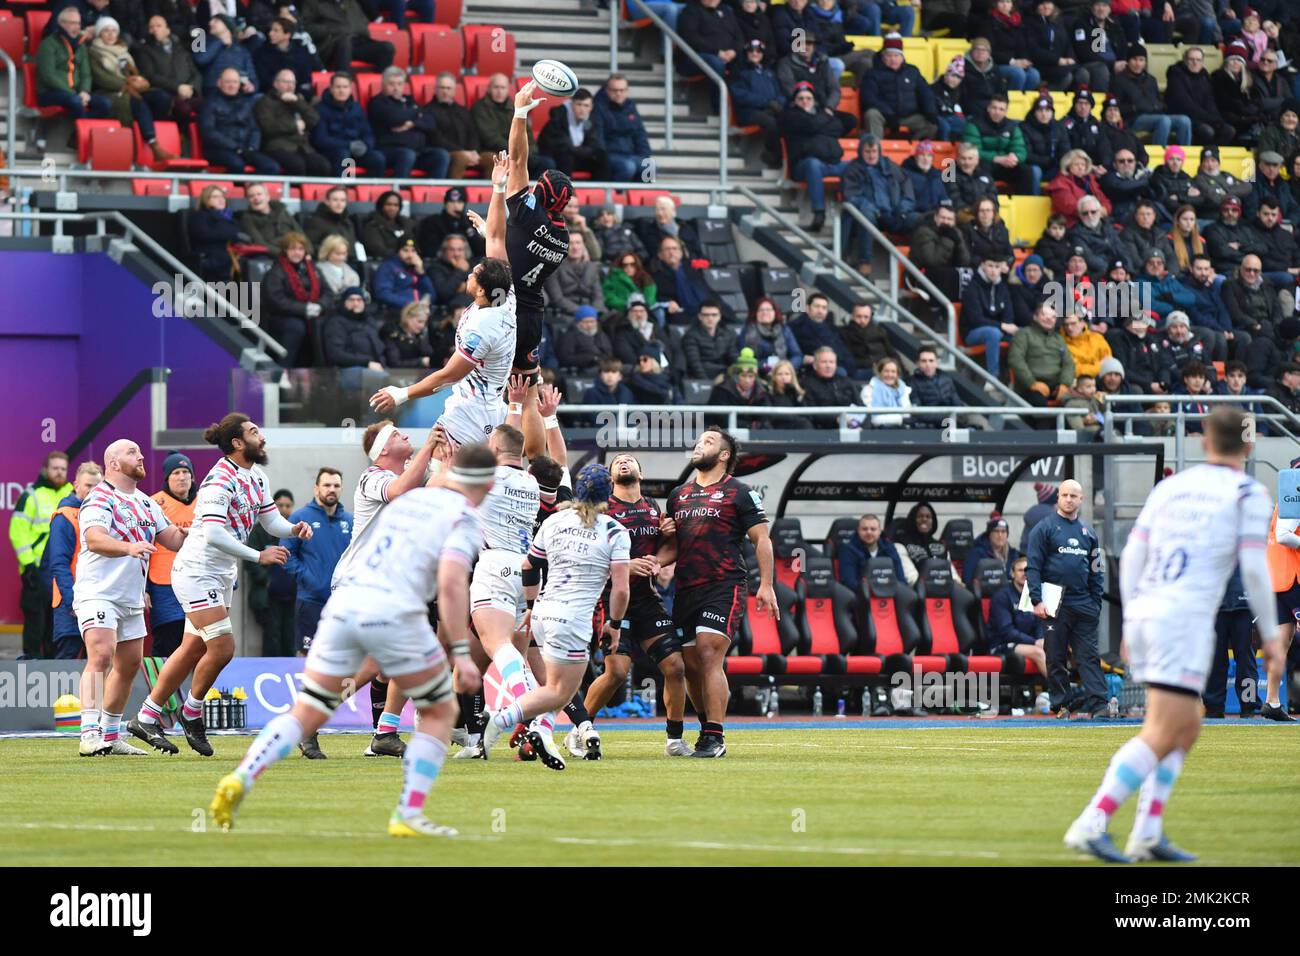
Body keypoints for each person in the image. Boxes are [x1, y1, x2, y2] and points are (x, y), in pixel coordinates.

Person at [210, 443, 495, 836]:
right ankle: (408, 814)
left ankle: (241, 776)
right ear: (489, 482)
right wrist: (461, 652)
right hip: (394, 611)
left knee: (309, 707)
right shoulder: (463, 518)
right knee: (439, 711)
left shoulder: (408, 503)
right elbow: (449, 582)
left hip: (344, 603)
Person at [1065, 408, 1281, 862]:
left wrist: (1131, 616)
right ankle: (1092, 821)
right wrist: (1272, 634)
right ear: (1249, 444)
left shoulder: (1171, 487)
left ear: (1205, 441)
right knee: (1164, 729)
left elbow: (1135, 551)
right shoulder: (1248, 492)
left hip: (1152, 611)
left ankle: (1146, 831)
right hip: (1183, 618)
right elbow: (1255, 569)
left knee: (1187, 724)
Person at [129, 415, 311, 756]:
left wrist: (293, 528)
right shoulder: (219, 479)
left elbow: (270, 520)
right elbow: (212, 534)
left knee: (193, 649)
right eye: (255, 432)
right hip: (197, 570)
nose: (263, 438)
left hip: (221, 573)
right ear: (238, 443)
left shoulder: (256, 476)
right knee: (224, 647)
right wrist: (259, 556)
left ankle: (147, 715)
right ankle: (191, 712)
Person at [478, 462, 625, 770]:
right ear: (607, 495)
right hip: (572, 619)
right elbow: (621, 590)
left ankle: (542, 732)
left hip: (543, 612)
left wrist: (530, 607)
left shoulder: (555, 521)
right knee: (561, 691)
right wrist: (613, 624)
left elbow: (529, 566)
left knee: (557, 690)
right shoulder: (614, 531)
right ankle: (502, 718)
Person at [370, 160, 520, 450]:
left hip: (474, 411)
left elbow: (449, 375)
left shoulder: (483, 328)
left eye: (474, 274)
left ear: (482, 289)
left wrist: (401, 394)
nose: (469, 273)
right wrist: (498, 189)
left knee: (444, 477)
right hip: (475, 402)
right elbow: (498, 241)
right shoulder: (504, 294)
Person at [653, 428, 775, 758]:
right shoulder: (678, 495)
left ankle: (715, 736)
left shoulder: (740, 492)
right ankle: (707, 727)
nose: (699, 445)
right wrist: (654, 562)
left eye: (708, 441)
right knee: (691, 665)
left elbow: (761, 540)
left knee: (708, 653)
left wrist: (766, 584)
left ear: (723, 455)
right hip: (686, 588)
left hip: (724, 585)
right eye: (698, 441)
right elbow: (675, 546)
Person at [73, 440, 188, 757]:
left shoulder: (148, 503)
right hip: (98, 592)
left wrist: (197, 530)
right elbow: (94, 539)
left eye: (139, 452)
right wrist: (129, 547)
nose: (139, 456)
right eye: (131, 452)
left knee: (129, 664)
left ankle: (110, 736)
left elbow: (173, 539)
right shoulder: (100, 498)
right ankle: (88, 733)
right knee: (101, 653)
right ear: (112, 463)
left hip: (130, 598)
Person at [579, 454, 695, 756]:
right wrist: (625, 566)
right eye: (618, 461)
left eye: (630, 460)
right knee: (616, 673)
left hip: (646, 600)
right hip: (610, 599)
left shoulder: (652, 508)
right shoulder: (601, 510)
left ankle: (674, 740)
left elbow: (667, 550)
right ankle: (581, 729)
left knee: (675, 666)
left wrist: (659, 557)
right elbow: (585, 558)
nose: (624, 463)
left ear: (641, 474)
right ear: (611, 476)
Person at [1025, 477, 1108, 720]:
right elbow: (1033, 567)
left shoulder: (1088, 532)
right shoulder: (1044, 528)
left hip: (1083, 603)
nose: (1069, 499)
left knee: (1088, 656)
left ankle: (1099, 705)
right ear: (1058, 498)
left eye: (1074, 496)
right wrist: (1037, 600)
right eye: (1065, 495)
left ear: (1081, 500)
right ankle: (1062, 705)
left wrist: (1095, 603)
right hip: (1053, 603)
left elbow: (1096, 570)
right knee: (1056, 656)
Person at [283, 467, 353, 660]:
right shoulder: (300, 518)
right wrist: (310, 579)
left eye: (336, 485)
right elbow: (286, 555)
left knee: (343, 654)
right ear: (316, 489)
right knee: (307, 654)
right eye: (327, 485)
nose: (332, 489)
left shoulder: (351, 521)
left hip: (343, 602)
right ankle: (305, 691)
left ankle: (341, 692)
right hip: (311, 601)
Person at [11, 451, 71, 658]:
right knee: (35, 627)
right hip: (36, 573)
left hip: (62, 572)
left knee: (57, 628)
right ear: (46, 469)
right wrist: (28, 566)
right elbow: (18, 532)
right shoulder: (31, 495)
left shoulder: (71, 494)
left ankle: (54, 672)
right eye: (55, 468)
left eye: (63, 469)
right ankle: (30, 670)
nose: (59, 472)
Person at [43, 462, 103, 661]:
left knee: (100, 659)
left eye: (98, 486)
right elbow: (59, 564)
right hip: (71, 602)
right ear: (76, 485)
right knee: (67, 661)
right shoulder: (65, 516)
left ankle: (93, 695)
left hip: (100, 598)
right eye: (88, 486)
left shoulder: (106, 514)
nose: (93, 491)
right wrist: (72, 602)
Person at [840, 133, 918, 275]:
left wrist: (902, 208)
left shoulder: (890, 165)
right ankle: (865, 265)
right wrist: (874, 210)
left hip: (893, 214)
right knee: (866, 216)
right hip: (871, 215)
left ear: (879, 151)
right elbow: (851, 197)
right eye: (867, 152)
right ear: (861, 152)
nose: (871, 155)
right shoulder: (852, 169)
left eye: (874, 151)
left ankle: (913, 267)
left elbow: (907, 189)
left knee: (917, 219)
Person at [780, 83, 851, 233]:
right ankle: (819, 213)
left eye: (808, 98)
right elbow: (809, 125)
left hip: (832, 163)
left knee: (858, 165)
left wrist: (816, 126)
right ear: (794, 101)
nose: (805, 101)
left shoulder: (819, 115)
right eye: (801, 98)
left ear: (814, 100)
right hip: (803, 165)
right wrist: (825, 118)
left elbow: (839, 126)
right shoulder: (790, 115)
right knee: (813, 165)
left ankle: (852, 212)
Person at [146, 453, 196, 659]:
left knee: (196, 640)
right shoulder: (153, 504)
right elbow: (143, 549)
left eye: (186, 472)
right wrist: (144, 589)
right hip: (163, 584)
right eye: (176, 472)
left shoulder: (205, 503)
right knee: (168, 638)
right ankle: (159, 689)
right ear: (167, 478)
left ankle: (193, 690)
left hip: (196, 581)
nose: (182, 477)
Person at [367, 67, 450, 180]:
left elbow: (430, 122)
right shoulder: (378, 102)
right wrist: (417, 114)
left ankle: (434, 193)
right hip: (389, 150)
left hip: (417, 151)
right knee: (407, 155)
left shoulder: (409, 101)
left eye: (399, 84)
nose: (396, 88)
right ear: (383, 84)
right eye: (391, 84)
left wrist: (412, 124)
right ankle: (400, 192)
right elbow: (394, 118)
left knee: (441, 155)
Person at [199, 67, 281, 174]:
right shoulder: (209, 103)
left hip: (245, 149)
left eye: (235, 82)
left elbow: (255, 129)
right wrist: (235, 147)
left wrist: (252, 147)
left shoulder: (245, 102)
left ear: (239, 84)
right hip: (219, 149)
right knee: (237, 164)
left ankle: (253, 188)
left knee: (272, 166)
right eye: (228, 82)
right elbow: (209, 132)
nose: (232, 85)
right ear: (219, 83)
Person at [245, 490, 297, 658]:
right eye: (280, 505)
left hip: (292, 596)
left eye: (288, 506)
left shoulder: (295, 532)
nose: (284, 509)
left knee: (290, 637)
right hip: (268, 597)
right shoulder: (259, 532)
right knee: (272, 638)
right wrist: (265, 580)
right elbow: (249, 559)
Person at [264, 231, 328, 366]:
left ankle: (319, 369)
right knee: (296, 327)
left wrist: (320, 305)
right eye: (292, 249)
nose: (297, 253)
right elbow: (276, 300)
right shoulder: (276, 271)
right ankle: (284, 367)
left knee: (329, 323)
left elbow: (328, 293)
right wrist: (304, 309)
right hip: (282, 316)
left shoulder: (312, 268)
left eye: (300, 249)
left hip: (311, 312)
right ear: (285, 250)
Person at [132, 14, 202, 134]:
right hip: (167, 94)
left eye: (158, 26)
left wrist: (192, 88)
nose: (154, 29)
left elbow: (195, 73)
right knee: (183, 109)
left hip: (189, 93)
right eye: (151, 27)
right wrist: (178, 88)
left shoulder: (181, 49)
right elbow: (150, 76)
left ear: (167, 30)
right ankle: (182, 139)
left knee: (210, 108)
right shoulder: (144, 50)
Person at [861, 35, 938, 142]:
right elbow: (869, 98)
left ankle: (913, 147)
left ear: (902, 57)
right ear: (883, 56)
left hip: (909, 116)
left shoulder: (912, 71)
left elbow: (926, 93)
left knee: (932, 125)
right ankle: (877, 149)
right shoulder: (872, 73)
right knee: (871, 115)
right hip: (885, 116)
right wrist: (889, 114)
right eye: (889, 55)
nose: (893, 59)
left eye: (896, 55)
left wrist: (931, 112)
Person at [1112, 45, 1192, 147]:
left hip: (1155, 114)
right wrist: (1135, 107)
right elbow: (1116, 107)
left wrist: (1160, 106)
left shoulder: (1151, 80)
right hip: (1134, 118)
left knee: (1184, 120)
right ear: (1128, 61)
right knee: (1164, 120)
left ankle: (1182, 155)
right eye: (1134, 59)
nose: (1138, 63)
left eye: (1141, 60)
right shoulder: (1119, 80)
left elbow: (1158, 100)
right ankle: (1158, 156)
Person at [312, 72, 386, 177]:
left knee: (378, 158)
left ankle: (371, 190)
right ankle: (344, 189)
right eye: (338, 87)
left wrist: (366, 145)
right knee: (345, 157)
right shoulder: (320, 109)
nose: (341, 91)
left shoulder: (357, 108)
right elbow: (320, 140)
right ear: (331, 89)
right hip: (334, 152)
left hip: (356, 151)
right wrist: (348, 145)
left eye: (345, 87)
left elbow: (368, 132)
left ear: (351, 89)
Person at [962, 92, 1032, 195]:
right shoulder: (974, 125)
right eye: (994, 108)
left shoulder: (1012, 127)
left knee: (1027, 171)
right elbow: (972, 152)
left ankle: (1024, 204)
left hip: (1005, 165)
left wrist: (1015, 157)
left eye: (1001, 109)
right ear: (988, 108)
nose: (997, 112)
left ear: (1006, 112)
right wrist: (996, 158)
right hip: (983, 164)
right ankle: (987, 202)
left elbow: (1021, 149)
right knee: (982, 169)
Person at [729, 39, 784, 167]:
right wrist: (766, 103)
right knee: (771, 123)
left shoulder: (769, 72)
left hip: (771, 109)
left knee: (790, 119)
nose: (755, 54)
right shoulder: (739, 71)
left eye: (758, 51)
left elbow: (780, 92)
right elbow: (740, 95)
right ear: (746, 53)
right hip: (749, 112)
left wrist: (779, 103)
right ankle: (773, 157)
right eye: (751, 51)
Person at [1009, 303, 1076, 408]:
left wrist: (1064, 384)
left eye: (1053, 317)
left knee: (1078, 401)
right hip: (1030, 387)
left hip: (1056, 387)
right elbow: (1016, 359)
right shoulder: (1023, 334)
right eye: (1044, 315)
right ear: (1035, 317)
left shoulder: (1059, 339)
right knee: (1038, 403)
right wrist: (1031, 383)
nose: (1049, 319)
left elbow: (1068, 363)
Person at [987, 556, 1047, 673]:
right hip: (1001, 644)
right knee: (1039, 652)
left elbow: (1039, 623)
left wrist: (1040, 639)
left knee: (1058, 648)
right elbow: (1006, 631)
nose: (1024, 574)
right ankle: (1061, 690)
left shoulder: (1034, 595)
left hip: (1027, 642)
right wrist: (1034, 642)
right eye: (1020, 570)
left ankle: (1075, 687)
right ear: (1013, 574)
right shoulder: (1002, 596)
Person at [960, 257, 1016, 378]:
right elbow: (976, 320)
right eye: (990, 266)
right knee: (993, 333)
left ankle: (1014, 381)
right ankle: (993, 378)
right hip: (972, 332)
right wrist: (1002, 326)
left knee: (1022, 334)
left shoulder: (1003, 288)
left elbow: (1008, 317)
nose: (993, 271)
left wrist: (1006, 327)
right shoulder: (972, 288)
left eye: (997, 267)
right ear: (983, 266)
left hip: (998, 330)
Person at [300, 0, 393, 72]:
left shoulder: (350, 2)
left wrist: (362, 31)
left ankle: (381, 88)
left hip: (357, 42)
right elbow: (307, 27)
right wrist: (331, 29)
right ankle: (342, 83)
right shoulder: (314, 2)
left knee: (387, 48)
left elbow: (362, 21)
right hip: (332, 44)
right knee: (345, 43)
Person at [593, 73, 652, 183]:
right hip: (611, 155)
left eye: (622, 90)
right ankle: (617, 196)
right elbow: (598, 137)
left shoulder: (630, 107)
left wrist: (645, 156)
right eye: (615, 90)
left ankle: (642, 197)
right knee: (628, 167)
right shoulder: (598, 108)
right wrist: (603, 157)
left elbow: (640, 134)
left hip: (631, 154)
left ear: (627, 91)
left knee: (650, 166)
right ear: (607, 90)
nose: (619, 93)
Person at [425, 72, 481, 180]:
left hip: (467, 152)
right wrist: (462, 151)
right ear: (435, 90)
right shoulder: (428, 111)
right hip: (446, 152)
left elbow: (473, 133)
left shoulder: (463, 111)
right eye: (442, 88)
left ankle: (492, 194)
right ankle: (454, 193)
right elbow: (436, 138)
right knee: (461, 158)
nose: (445, 91)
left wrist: (474, 151)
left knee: (491, 159)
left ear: (454, 91)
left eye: (448, 88)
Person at [911, 201, 970, 300]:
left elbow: (965, 262)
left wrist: (959, 243)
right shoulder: (924, 232)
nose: (946, 222)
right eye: (943, 218)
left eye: (949, 219)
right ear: (936, 218)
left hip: (947, 278)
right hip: (920, 278)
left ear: (954, 222)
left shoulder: (956, 233)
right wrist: (948, 238)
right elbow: (933, 261)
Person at [252, 17, 322, 98]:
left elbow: (306, 79)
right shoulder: (261, 53)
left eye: (276, 30)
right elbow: (263, 80)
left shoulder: (301, 52)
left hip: (298, 96)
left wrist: (300, 95)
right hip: (272, 96)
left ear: (287, 34)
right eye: (271, 30)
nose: (270, 33)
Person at [1213, 39, 1267, 145]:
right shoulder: (1219, 76)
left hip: (1245, 116)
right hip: (1226, 116)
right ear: (1226, 61)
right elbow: (1223, 101)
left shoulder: (1249, 80)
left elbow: (1256, 100)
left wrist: (1252, 112)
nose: (1235, 63)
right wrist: (1246, 112)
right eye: (1232, 59)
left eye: (1239, 60)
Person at [544, 233, 606, 323]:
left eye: (578, 243)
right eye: (571, 243)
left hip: (592, 312)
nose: (575, 247)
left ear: (584, 245)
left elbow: (598, 295)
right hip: (566, 314)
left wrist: (594, 311)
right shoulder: (554, 267)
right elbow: (557, 299)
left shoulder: (592, 267)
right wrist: (583, 312)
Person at [836, 513, 908, 588]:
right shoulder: (847, 549)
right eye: (864, 529)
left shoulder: (888, 547)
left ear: (879, 531)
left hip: (889, 590)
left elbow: (900, 577)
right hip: (860, 593)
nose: (869, 532)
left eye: (873, 529)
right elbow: (849, 582)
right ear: (858, 531)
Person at [649, 235, 709, 324]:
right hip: (677, 313)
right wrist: (667, 302)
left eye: (674, 248)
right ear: (660, 255)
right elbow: (655, 297)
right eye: (667, 249)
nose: (671, 252)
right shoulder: (655, 275)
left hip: (703, 310)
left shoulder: (692, 270)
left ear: (681, 253)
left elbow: (706, 292)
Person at [983, 0, 1041, 92]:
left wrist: (1024, 60)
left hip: (1016, 62)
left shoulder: (1017, 23)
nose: (1005, 5)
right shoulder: (989, 23)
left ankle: (1022, 103)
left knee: (1034, 74)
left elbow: (1023, 46)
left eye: (1008, 2)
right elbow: (989, 51)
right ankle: (1010, 101)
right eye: (1001, 2)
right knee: (1018, 74)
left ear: (1012, 5)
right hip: (996, 64)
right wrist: (1012, 61)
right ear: (995, 4)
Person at [323, 287, 385, 371]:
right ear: (344, 303)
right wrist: (366, 362)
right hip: (347, 369)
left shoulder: (370, 322)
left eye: (359, 300)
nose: (356, 303)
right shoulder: (336, 323)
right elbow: (336, 354)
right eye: (351, 300)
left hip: (377, 367)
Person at [191, 15, 256, 93]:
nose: (210, 23)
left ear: (227, 26)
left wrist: (252, 87)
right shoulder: (201, 40)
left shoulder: (242, 50)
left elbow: (252, 76)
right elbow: (199, 60)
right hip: (214, 91)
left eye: (216, 21)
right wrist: (219, 42)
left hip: (239, 92)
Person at [373, 238, 434, 317]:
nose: (410, 255)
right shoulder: (388, 267)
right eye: (405, 250)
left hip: (422, 312)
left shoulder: (417, 269)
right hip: (398, 311)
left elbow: (431, 295)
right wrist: (411, 304)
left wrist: (421, 273)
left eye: (413, 251)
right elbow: (383, 293)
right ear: (398, 252)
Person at [1249, 198, 1300, 292]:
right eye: (1266, 214)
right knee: (1286, 278)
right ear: (1258, 213)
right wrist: (1287, 269)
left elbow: (1296, 255)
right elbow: (1263, 262)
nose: (1270, 218)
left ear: (1278, 216)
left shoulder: (1286, 234)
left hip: (1291, 273)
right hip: (1265, 274)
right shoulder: (1250, 233)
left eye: (1273, 214)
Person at [683, 300, 740, 380]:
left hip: (724, 374)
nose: (710, 318)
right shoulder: (691, 335)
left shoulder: (728, 334)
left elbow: (733, 357)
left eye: (714, 315)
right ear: (700, 316)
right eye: (706, 315)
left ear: (719, 317)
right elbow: (694, 364)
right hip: (702, 375)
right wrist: (706, 382)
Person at [945, 142, 1001, 221]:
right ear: (957, 159)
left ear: (977, 160)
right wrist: (972, 211)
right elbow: (954, 198)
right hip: (964, 212)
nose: (967, 162)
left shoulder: (985, 174)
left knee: (999, 222)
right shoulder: (950, 174)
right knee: (969, 221)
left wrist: (990, 209)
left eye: (970, 158)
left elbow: (993, 196)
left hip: (984, 211)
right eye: (963, 158)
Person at [964, 516, 1021, 588]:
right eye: (996, 531)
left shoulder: (1013, 554)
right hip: (985, 593)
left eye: (1003, 531)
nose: (1000, 535)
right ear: (989, 534)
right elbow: (967, 579)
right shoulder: (976, 553)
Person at [839, 302, 895, 373]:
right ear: (852, 316)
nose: (862, 320)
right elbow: (847, 357)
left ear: (870, 317)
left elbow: (891, 352)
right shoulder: (844, 333)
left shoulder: (880, 331)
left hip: (884, 367)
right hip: (861, 369)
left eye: (866, 317)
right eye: (859, 316)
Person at [238, 182, 298, 248]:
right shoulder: (247, 219)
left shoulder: (282, 211)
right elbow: (261, 245)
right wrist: (285, 255)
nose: (256, 198)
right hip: (271, 255)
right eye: (251, 196)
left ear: (268, 197)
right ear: (248, 201)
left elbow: (300, 233)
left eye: (259, 194)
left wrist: (308, 252)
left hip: (295, 252)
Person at [360, 191, 415, 261]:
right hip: (385, 262)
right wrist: (400, 256)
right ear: (381, 206)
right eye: (388, 204)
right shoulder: (372, 225)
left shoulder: (407, 224)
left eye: (396, 205)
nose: (392, 208)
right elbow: (378, 249)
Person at [963, 196, 1014, 268]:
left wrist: (1006, 263)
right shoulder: (968, 229)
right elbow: (967, 256)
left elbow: (1010, 255)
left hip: (1000, 270)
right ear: (976, 213)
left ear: (993, 213)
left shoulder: (1002, 230)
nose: (985, 213)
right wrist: (983, 265)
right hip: (978, 270)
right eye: (981, 210)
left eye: (988, 210)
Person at [304, 186, 358, 254]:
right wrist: (331, 253)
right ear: (327, 201)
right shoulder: (315, 222)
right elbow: (310, 246)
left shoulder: (348, 222)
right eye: (335, 200)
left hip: (349, 262)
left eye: (343, 200)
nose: (339, 204)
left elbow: (354, 245)